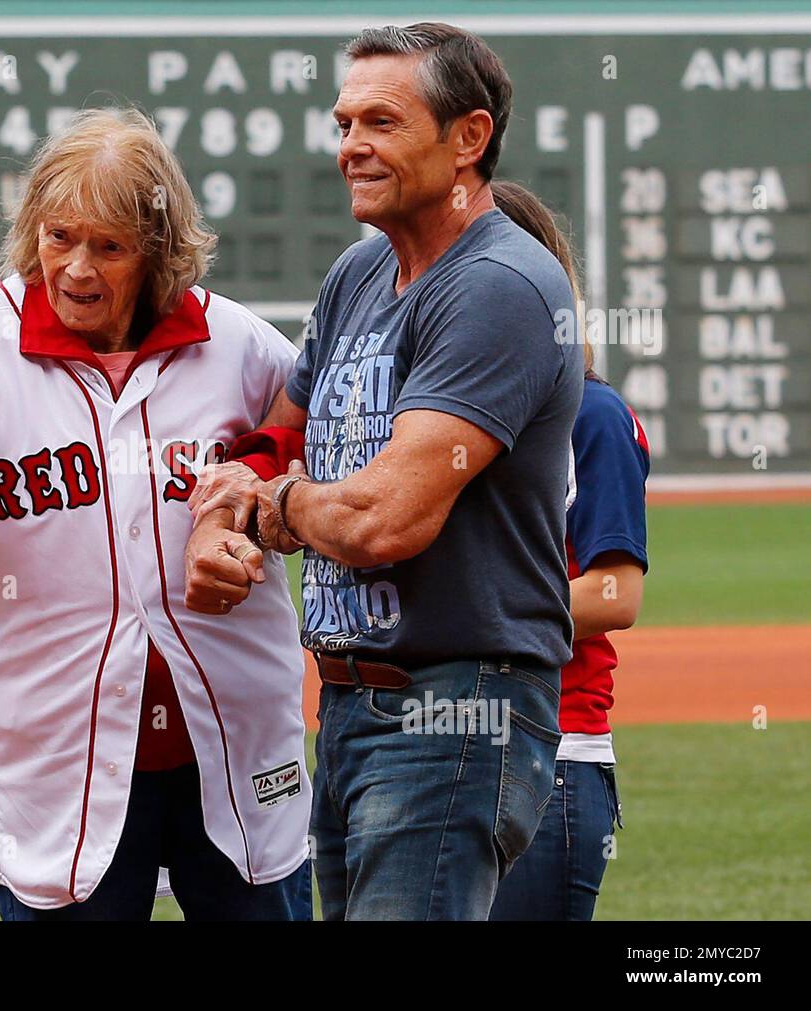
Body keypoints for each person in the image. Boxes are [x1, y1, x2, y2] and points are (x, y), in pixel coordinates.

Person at [0, 107, 312, 921]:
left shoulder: (236, 343)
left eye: (109, 246)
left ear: (158, 249)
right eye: (59, 237)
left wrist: (253, 500)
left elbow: (301, 438)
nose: (77, 267)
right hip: (62, 751)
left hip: (233, 740)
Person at [184, 23, 583, 920]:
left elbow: (384, 520)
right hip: (350, 703)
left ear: (469, 138)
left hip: (454, 706)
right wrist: (221, 515)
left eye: (381, 123)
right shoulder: (359, 273)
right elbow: (277, 436)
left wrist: (277, 502)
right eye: (344, 124)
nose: (351, 147)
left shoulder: (497, 285)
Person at [487, 180, 649, 921]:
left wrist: (474, 620)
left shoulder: (594, 414)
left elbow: (616, 594)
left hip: (552, 753)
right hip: (444, 750)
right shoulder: (446, 418)